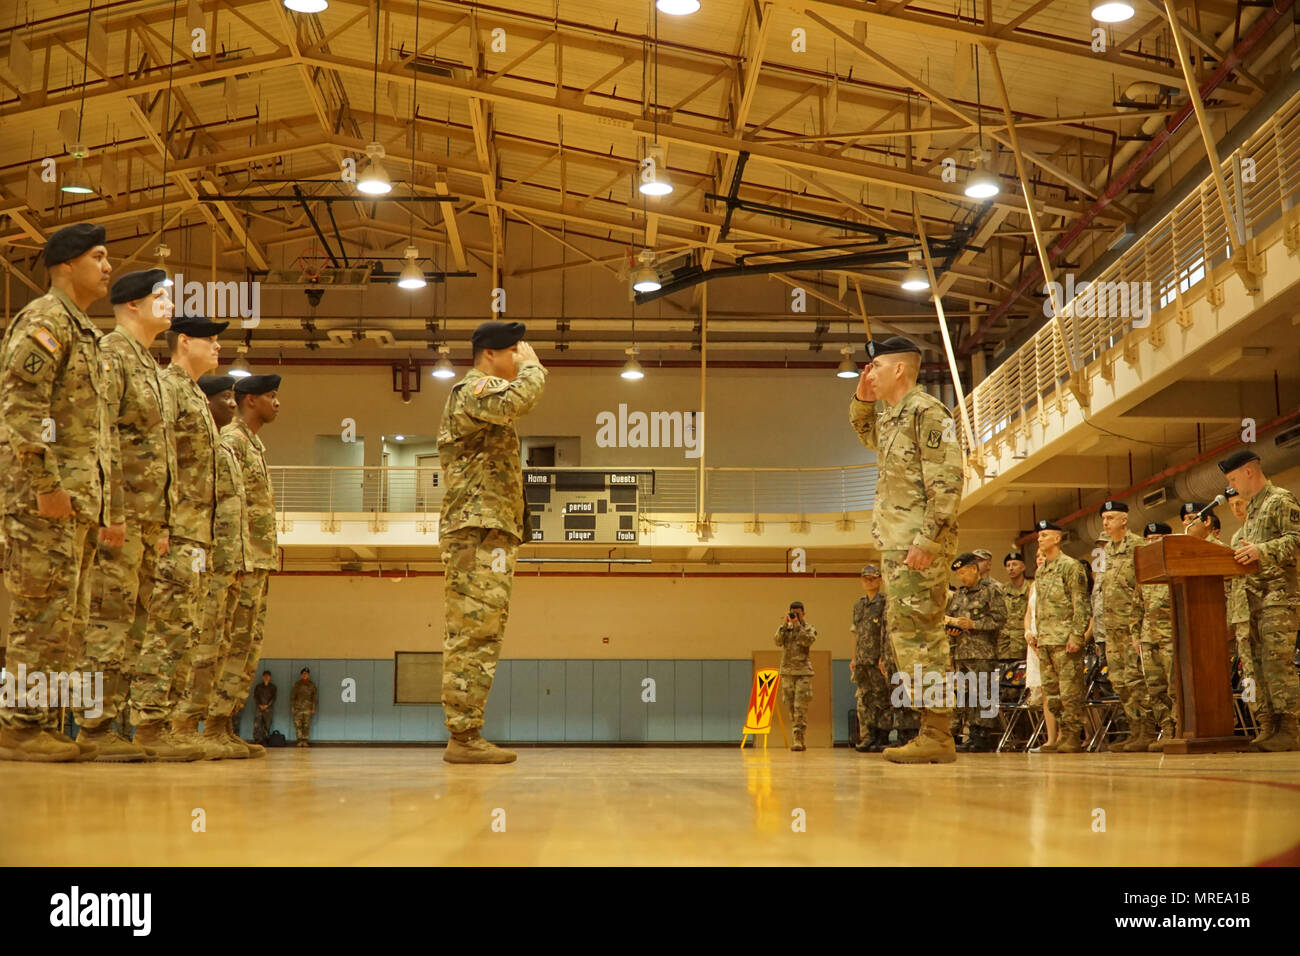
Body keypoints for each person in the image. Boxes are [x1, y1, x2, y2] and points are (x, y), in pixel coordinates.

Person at [0, 223, 122, 763]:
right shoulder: (46, 320)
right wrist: (46, 485)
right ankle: (18, 724)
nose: (108, 266)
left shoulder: (81, 330)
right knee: (39, 615)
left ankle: (43, 723)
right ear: (66, 265)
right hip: (40, 501)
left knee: (65, 621)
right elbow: (22, 408)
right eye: (99, 256)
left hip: (72, 503)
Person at [72, 270, 176, 762]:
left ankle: (110, 725)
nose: (169, 305)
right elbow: (101, 435)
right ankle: (92, 730)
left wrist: (162, 525)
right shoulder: (113, 355)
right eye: (161, 298)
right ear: (132, 305)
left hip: (145, 521)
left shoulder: (147, 364)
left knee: (133, 625)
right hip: (122, 518)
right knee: (107, 622)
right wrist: (110, 512)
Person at [850, 336, 963, 764]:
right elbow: (864, 432)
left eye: (875, 365)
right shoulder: (892, 418)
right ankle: (931, 730)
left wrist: (928, 539)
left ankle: (937, 733)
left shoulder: (928, 412)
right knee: (908, 637)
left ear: (899, 369)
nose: (869, 372)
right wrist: (862, 399)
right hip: (898, 545)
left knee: (922, 635)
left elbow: (948, 479)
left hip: (918, 544)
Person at [438, 321, 547, 764]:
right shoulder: (474, 390)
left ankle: (468, 734)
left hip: (492, 529)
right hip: (475, 529)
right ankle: (462, 738)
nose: (518, 359)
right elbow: (521, 397)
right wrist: (535, 367)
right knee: (471, 633)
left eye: (521, 353)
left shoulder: (482, 395)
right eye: (513, 353)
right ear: (490, 355)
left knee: (485, 634)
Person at [176, 374, 252, 759]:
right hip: (206, 557)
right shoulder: (223, 444)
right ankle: (183, 726)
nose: (233, 403)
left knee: (222, 645)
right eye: (225, 397)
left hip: (229, 558)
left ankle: (215, 727)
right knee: (202, 643)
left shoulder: (223, 446)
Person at [208, 373, 280, 758]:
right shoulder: (232, 442)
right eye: (271, 396)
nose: (277, 402)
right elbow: (226, 502)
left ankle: (224, 726)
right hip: (239, 558)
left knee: (246, 648)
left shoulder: (254, 445)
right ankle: (207, 727)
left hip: (258, 558)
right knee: (226, 642)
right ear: (249, 400)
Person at [1219, 449, 1300, 751]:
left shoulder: (1280, 500)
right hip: (1250, 603)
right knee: (1255, 668)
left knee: (1277, 665)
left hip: (1277, 598)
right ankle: (1267, 726)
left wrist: (1260, 551)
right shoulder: (1251, 510)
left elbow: (1296, 539)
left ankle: (1289, 728)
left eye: (1233, 478)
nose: (1233, 485)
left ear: (1249, 472)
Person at [1097, 501, 1155, 752]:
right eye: (1103, 518)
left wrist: (1140, 627)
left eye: (1110, 517)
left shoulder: (1137, 546)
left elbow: (1145, 586)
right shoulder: (1107, 550)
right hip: (1111, 628)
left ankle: (1148, 729)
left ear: (1124, 519)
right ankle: (1134, 730)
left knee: (1136, 679)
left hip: (1131, 625)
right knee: (1119, 681)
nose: (1105, 522)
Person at [1030, 520, 1089, 753]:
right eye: (1039, 535)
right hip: (1045, 641)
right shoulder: (1041, 570)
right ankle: (1063, 735)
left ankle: (1073, 735)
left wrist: (1076, 636)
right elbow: (1040, 607)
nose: (1039, 539)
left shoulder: (1071, 567)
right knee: (1053, 694)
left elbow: (1080, 604)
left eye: (1044, 535)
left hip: (1065, 641)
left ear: (1057, 538)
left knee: (1070, 692)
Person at [944, 551, 1005, 752]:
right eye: (959, 574)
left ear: (973, 568)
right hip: (962, 652)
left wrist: (974, 624)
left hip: (983, 652)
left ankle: (985, 736)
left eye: (964, 572)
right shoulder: (959, 595)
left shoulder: (991, 590)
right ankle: (972, 734)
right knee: (966, 696)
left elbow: (999, 619)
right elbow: (950, 619)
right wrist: (953, 629)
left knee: (984, 694)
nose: (962, 577)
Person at [1137, 521, 1178, 751]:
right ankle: (1166, 728)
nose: (1152, 543)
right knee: (1154, 687)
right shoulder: (1146, 570)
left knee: (1174, 686)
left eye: (1157, 539)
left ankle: (1178, 726)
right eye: (1149, 540)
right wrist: (1136, 635)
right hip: (1148, 638)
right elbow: (1136, 606)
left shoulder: (1175, 566)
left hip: (1169, 637)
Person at [850, 565, 892, 752]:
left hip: (878, 658)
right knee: (866, 698)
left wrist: (883, 657)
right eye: (865, 579)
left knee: (881, 697)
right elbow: (855, 633)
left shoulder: (884, 603)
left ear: (879, 580)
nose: (868, 582)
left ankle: (882, 736)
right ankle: (869, 735)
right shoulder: (859, 605)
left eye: (872, 579)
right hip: (862, 659)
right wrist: (853, 658)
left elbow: (886, 632)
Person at [1024, 550, 1058, 751]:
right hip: (1034, 642)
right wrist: (1028, 632)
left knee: (1059, 690)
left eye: (1044, 556)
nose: (1039, 559)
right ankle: (1050, 739)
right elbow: (1029, 613)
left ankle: (1065, 736)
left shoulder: (1059, 578)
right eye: (1037, 556)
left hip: (1053, 640)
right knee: (1046, 691)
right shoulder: (1034, 584)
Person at [774, 601, 816, 751]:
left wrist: (797, 625)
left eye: (798, 613)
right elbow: (777, 641)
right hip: (787, 673)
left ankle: (798, 738)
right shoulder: (786, 629)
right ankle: (797, 737)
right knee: (791, 707)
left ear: (803, 613)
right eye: (793, 613)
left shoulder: (808, 628)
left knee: (800, 707)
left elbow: (808, 641)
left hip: (803, 672)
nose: (795, 616)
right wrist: (786, 625)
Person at [1000, 552, 1030, 664]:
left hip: (1024, 643)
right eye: (1008, 566)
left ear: (1023, 567)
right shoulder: (1002, 590)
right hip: (1004, 645)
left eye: (1014, 564)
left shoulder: (1030, 588)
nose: (1011, 568)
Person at [290, 668, 316, 747]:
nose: (305, 675)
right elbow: (293, 696)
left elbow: (314, 697)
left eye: (306, 674)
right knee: (298, 725)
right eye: (303, 673)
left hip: (308, 708)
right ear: (301, 675)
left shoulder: (312, 685)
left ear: (308, 675)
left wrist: (313, 707)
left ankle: (305, 740)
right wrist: (292, 706)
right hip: (298, 708)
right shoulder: (297, 684)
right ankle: (299, 740)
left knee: (306, 725)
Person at [253, 671, 276, 744]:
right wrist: (259, 704)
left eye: (268, 676)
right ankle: (257, 740)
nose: (266, 677)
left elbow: (273, 698)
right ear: (263, 677)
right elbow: (255, 697)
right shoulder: (258, 686)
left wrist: (267, 705)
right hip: (259, 708)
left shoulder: (273, 687)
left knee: (267, 724)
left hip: (268, 709)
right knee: (257, 724)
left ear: (270, 677)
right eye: (265, 676)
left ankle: (266, 740)